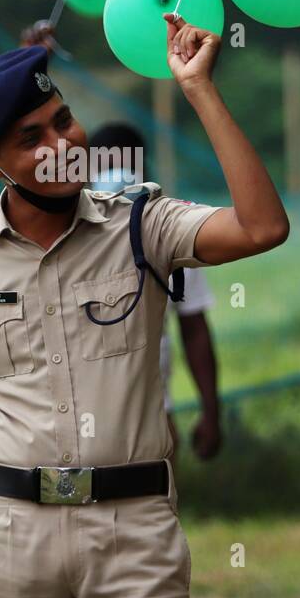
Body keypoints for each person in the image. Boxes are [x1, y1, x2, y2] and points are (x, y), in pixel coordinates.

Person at [0, 14, 288, 598]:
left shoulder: (143, 225)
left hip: (134, 534)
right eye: (32, 139)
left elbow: (262, 228)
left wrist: (198, 89)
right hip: (12, 536)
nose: (61, 147)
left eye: (63, 121)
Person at [88, 121, 221, 465]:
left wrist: (210, 410)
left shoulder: (168, 236)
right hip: (83, 418)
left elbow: (194, 329)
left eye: (122, 165)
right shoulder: (73, 238)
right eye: (103, 165)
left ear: (141, 169)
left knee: (156, 504)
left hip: (154, 412)